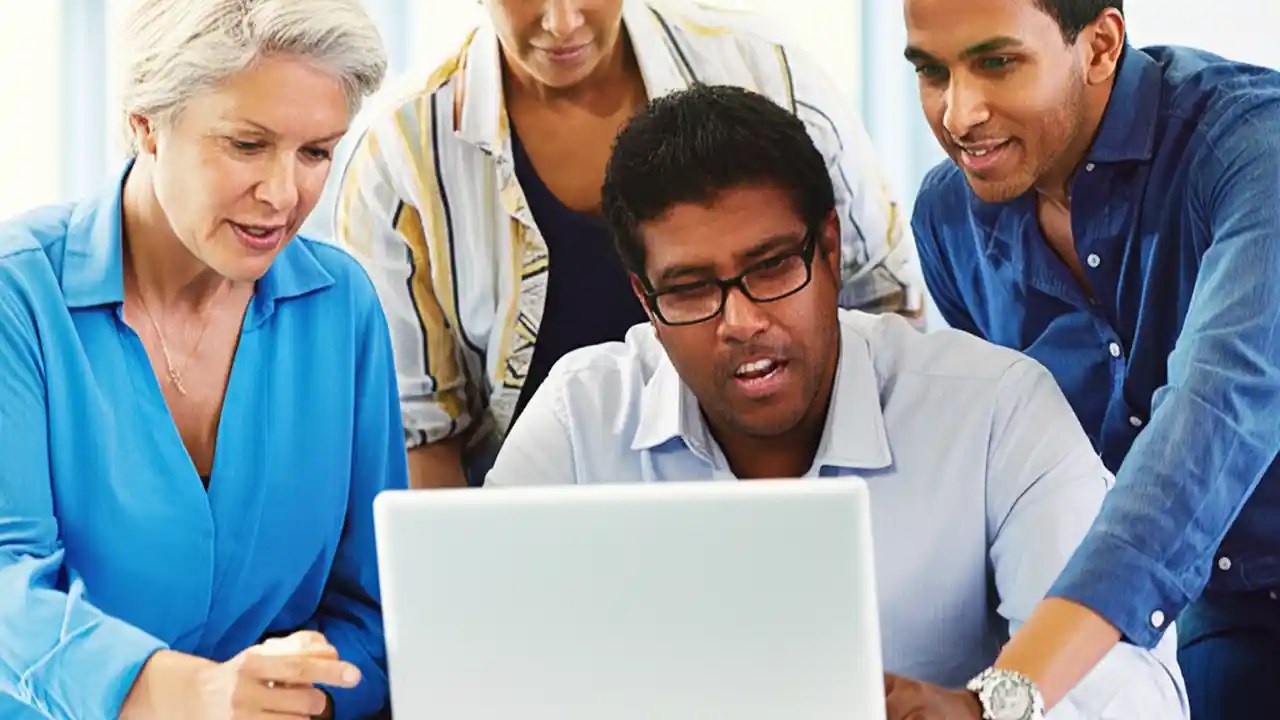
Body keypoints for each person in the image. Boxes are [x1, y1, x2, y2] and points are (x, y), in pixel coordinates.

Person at [483, 83, 1187, 719]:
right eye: (691, 288)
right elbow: (479, 672)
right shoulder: (581, 420)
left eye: (770, 267)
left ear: (828, 249)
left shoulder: (993, 412)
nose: (742, 322)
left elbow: (1136, 696)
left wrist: (984, 713)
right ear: (644, 298)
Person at [0, 1, 404, 718]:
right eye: (247, 145)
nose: (284, 194)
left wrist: (293, 700)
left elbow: (377, 606)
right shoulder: (19, 296)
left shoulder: (342, 307)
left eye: (315, 152)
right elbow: (8, 590)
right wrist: (199, 697)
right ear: (144, 125)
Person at [334, 0, 924, 489]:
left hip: (805, 485)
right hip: (539, 518)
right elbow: (419, 436)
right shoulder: (403, 160)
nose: (562, 22)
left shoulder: (763, 69)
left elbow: (884, 304)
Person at [905, 0, 1280, 716]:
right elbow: (1009, 464)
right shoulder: (949, 220)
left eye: (996, 62)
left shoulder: (1253, 147)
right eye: (931, 71)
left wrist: (1005, 695)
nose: (957, 115)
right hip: (1208, 607)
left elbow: (1212, 420)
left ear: (1101, 47)